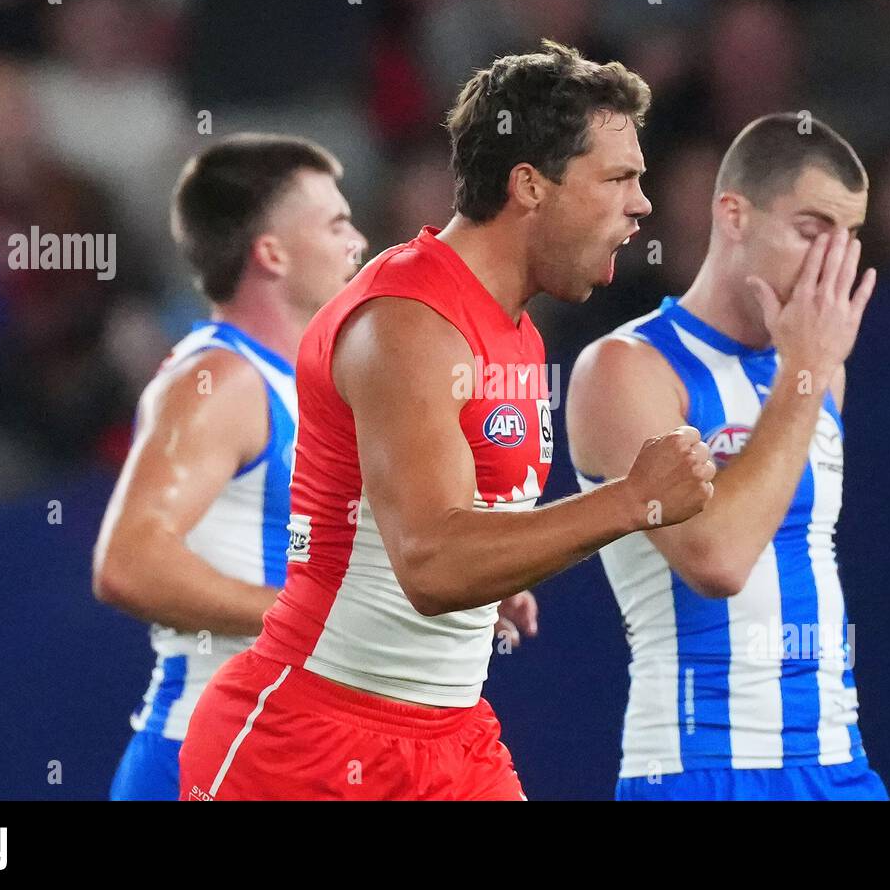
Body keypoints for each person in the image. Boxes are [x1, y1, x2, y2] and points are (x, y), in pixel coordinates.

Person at [178, 41, 715, 801]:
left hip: (450, 741)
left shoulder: (517, 331)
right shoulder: (407, 321)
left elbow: (443, 528)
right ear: (531, 185)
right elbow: (431, 565)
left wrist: (497, 570)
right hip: (305, 749)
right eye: (620, 177)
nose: (642, 205)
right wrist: (634, 499)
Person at [567, 113, 888, 800]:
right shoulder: (627, 369)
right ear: (734, 215)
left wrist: (806, 371)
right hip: (700, 770)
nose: (834, 264)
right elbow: (717, 560)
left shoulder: (823, 372)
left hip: (838, 762)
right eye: (811, 230)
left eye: (850, 238)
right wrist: (803, 371)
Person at [92, 134, 365, 800]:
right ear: (271, 253)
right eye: (335, 224)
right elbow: (128, 562)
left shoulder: (319, 384)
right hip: (212, 759)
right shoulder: (220, 380)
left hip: (300, 757)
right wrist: (313, 619)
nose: (357, 241)